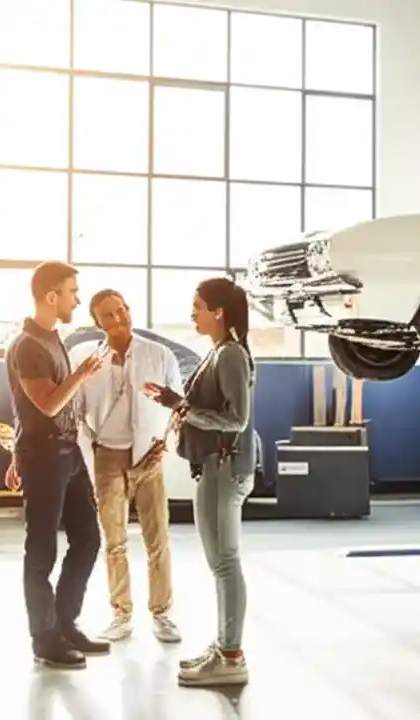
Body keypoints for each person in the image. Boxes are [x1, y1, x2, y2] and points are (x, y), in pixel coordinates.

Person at [143, 276, 256, 688]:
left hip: (223, 466)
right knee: (222, 562)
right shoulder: (221, 353)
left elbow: (236, 419)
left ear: (218, 311)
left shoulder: (229, 355)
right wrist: (177, 408)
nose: (192, 313)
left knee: (225, 563)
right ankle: (226, 646)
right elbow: (206, 410)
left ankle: (231, 655)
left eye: (198, 305)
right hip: (214, 466)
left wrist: (180, 405)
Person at [3, 261, 111, 669]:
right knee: (42, 551)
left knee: (88, 539)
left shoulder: (53, 338)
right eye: (71, 291)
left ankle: (65, 623)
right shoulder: (27, 345)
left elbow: (27, 409)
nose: (77, 299)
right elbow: (45, 404)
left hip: (68, 453)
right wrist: (83, 374)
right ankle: (44, 638)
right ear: (51, 296)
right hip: (45, 457)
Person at [66, 289, 183, 644]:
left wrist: (166, 443)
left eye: (121, 310)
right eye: (108, 315)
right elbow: (77, 413)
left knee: (157, 537)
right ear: (97, 322)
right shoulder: (88, 360)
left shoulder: (158, 354)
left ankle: (162, 613)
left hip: (148, 455)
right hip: (107, 457)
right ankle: (121, 613)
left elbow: (178, 407)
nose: (118, 319)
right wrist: (91, 454)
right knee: (113, 540)